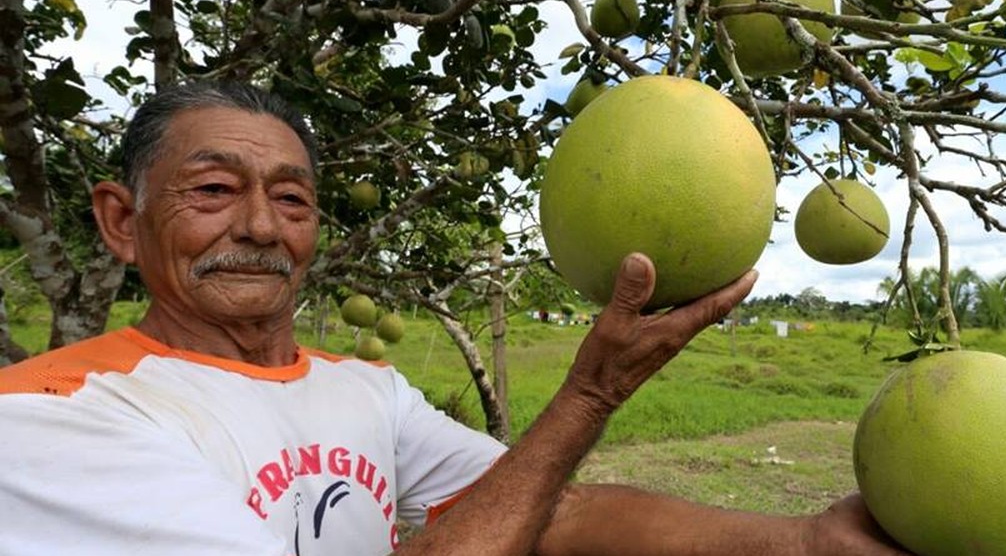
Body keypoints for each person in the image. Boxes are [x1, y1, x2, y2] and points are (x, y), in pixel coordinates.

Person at [0, 82, 908, 556]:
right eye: (212, 190)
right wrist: (589, 394)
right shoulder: (44, 416)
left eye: (292, 198)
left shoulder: (363, 389)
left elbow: (551, 511)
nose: (259, 227)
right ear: (122, 220)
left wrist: (802, 541)